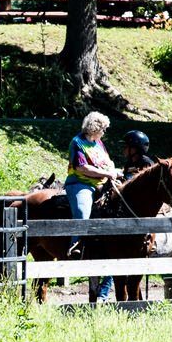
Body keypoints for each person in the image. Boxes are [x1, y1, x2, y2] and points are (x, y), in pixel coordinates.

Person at [64, 112, 119, 262]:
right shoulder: (77, 142)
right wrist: (107, 174)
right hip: (81, 184)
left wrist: (112, 170)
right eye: (103, 129)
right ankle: (76, 245)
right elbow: (82, 168)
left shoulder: (99, 143)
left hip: (102, 183)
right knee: (83, 212)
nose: (104, 132)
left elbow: (108, 162)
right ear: (95, 128)